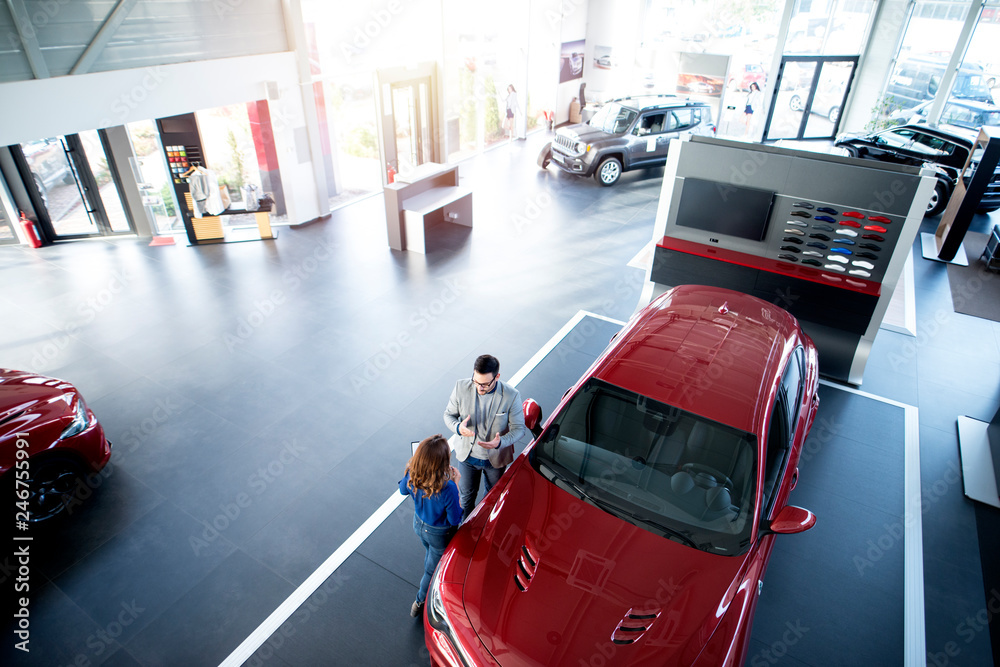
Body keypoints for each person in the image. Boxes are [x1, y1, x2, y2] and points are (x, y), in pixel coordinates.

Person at [444, 354, 526, 519]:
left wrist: (500, 442)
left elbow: (519, 429)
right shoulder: (461, 387)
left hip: (495, 459)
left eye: (485, 384)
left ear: (497, 377)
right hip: (467, 457)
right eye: (476, 382)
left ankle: (483, 526)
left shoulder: (511, 395)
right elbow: (448, 415)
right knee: (466, 498)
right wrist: (458, 428)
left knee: (492, 497)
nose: (480, 388)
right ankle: (466, 529)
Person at [399, 434, 462, 618]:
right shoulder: (448, 487)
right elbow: (454, 520)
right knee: (430, 570)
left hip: (418, 524)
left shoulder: (413, 473)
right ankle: (419, 601)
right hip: (438, 534)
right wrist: (456, 484)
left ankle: (430, 559)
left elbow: (403, 490)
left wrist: (410, 469)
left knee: (429, 551)